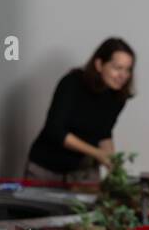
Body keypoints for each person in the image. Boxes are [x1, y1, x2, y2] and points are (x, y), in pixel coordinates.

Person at [25, 38, 135, 185]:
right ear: (99, 64)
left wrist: (113, 165)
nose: (123, 75)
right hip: (45, 170)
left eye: (127, 69)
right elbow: (56, 131)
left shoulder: (118, 97)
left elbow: (104, 133)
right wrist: (97, 154)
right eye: (117, 68)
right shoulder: (72, 83)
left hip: (83, 173)